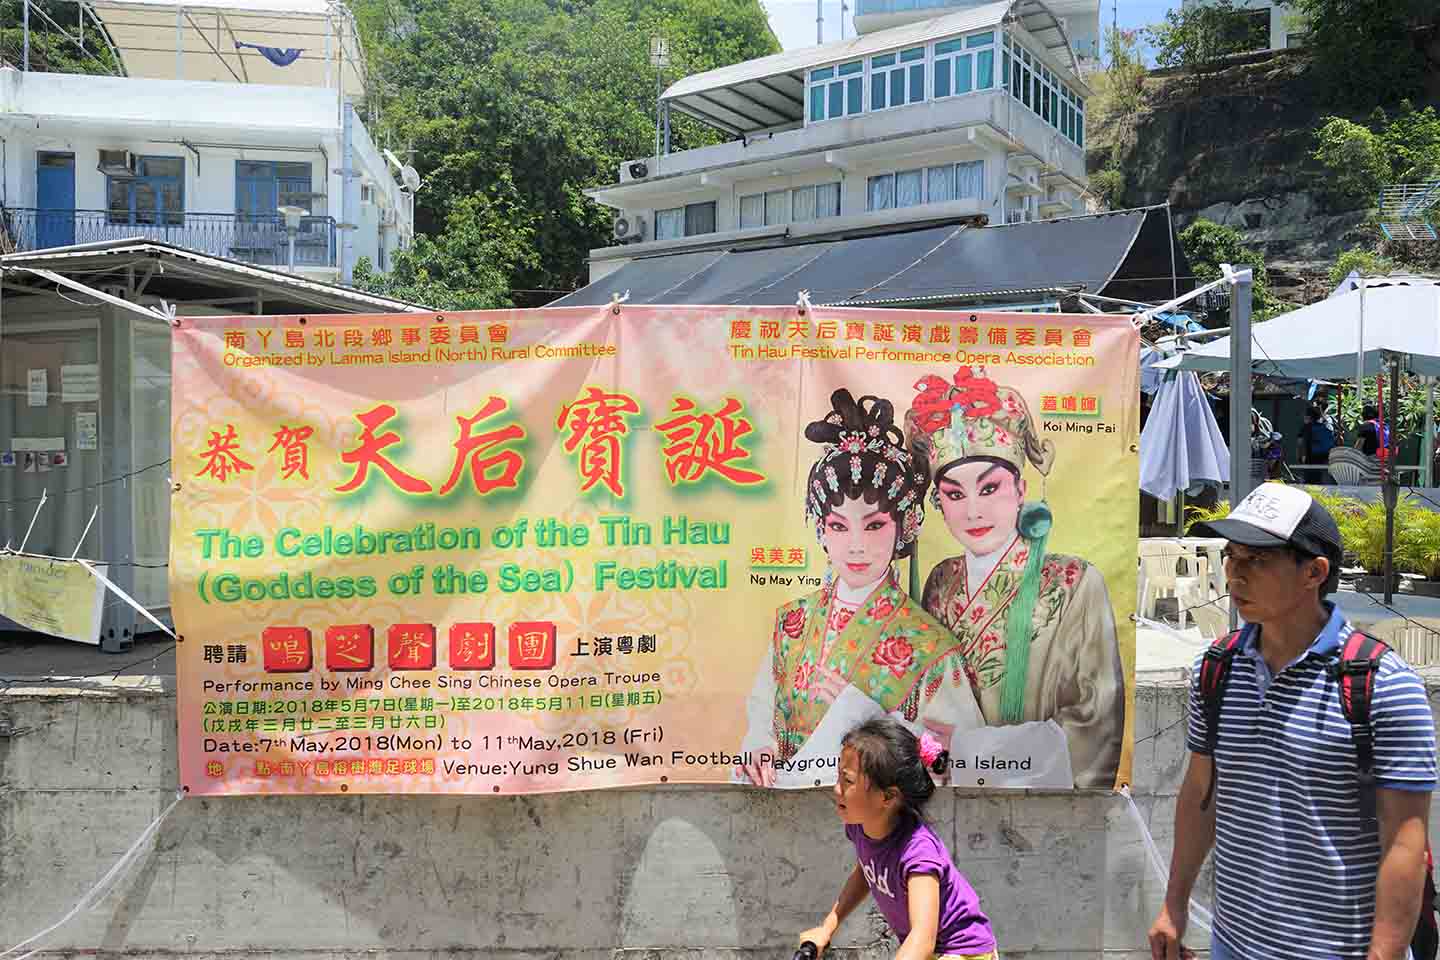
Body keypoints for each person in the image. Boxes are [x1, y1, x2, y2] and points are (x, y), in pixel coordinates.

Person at [1148, 483, 1436, 960]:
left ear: (1314, 572)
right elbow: (1202, 793)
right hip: (1234, 944)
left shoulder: (1382, 685)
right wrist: (1173, 905)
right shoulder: (1216, 668)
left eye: (1257, 560)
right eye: (1232, 555)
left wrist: (1383, 953)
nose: (1235, 574)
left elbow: (1404, 839)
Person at [735, 389, 984, 788]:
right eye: (838, 526)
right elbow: (763, 715)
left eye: (873, 525)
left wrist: (880, 720)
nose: (855, 545)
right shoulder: (792, 624)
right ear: (821, 530)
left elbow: (955, 765)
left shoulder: (929, 646)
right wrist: (759, 748)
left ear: (903, 529)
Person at [906, 366, 1124, 788]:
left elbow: (1095, 720)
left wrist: (972, 751)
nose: (972, 512)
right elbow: (918, 707)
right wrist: (934, 758)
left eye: (989, 489)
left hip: (1034, 812)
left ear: (1021, 490)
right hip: (942, 799)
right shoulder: (940, 582)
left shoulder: (1075, 582)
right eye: (954, 494)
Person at [799, 716, 1000, 960]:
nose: (836, 789)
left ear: (887, 797)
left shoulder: (918, 854)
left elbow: (921, 940)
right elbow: (866, 870)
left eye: (848, 780)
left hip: (963, 953)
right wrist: (827, 927)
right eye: (839, 776)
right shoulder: (861, 827)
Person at [1299, 403, 1336, 482]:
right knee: (1320, 478)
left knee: (1310, 480)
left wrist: (1301, 456)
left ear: (1309, 417)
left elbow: (1301, 443)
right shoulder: (1325, 426)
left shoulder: (1307, 427)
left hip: (1311, 457)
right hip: (1325, 456)